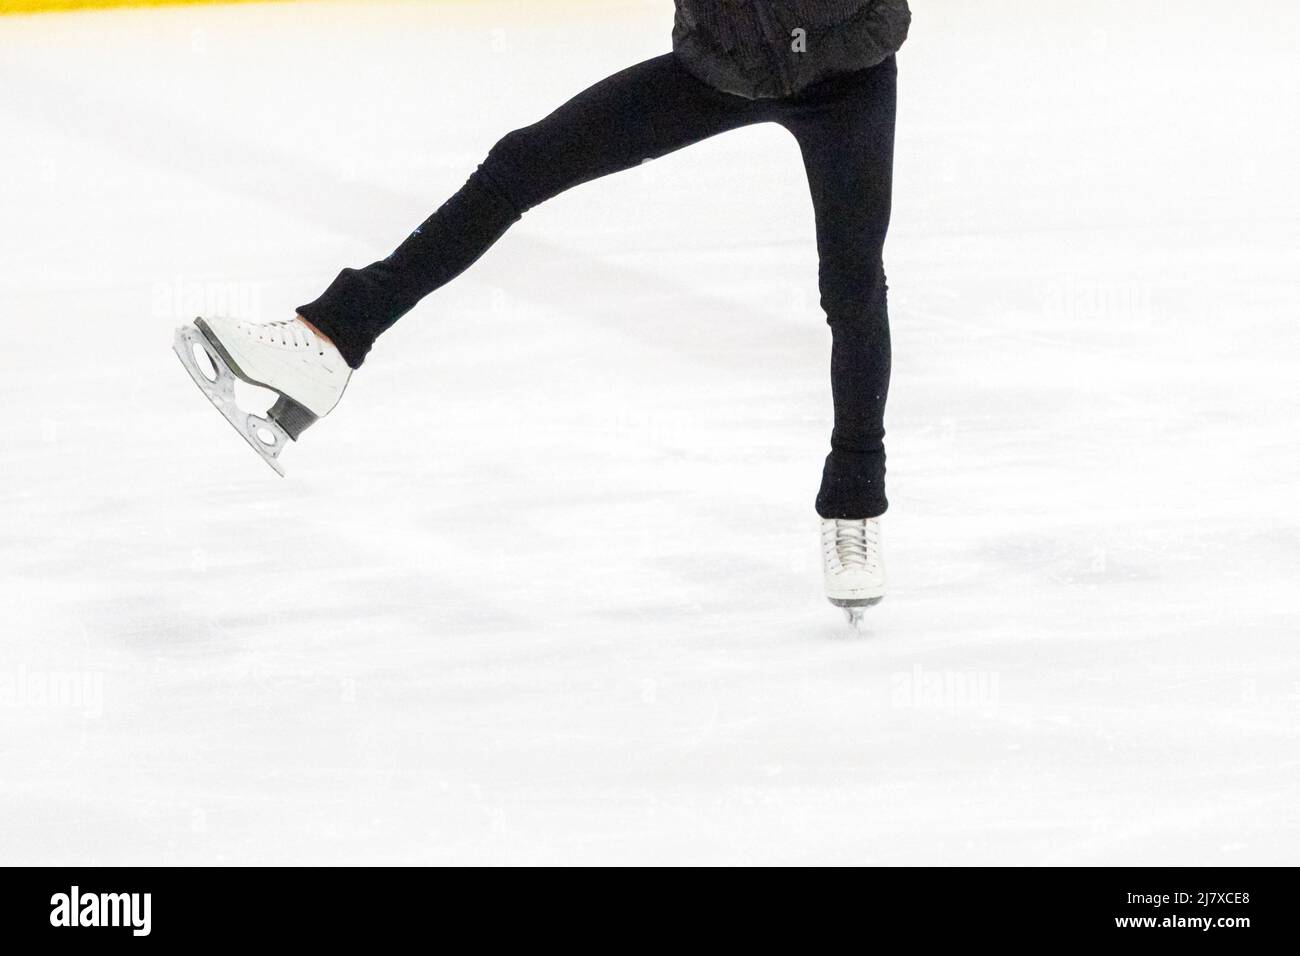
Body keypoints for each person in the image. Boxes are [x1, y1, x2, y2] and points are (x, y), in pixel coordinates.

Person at [173, 0, 912, 628]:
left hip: (848, 75)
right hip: (723, 67)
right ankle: (328, 342)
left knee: (852, 286)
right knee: (521, 164)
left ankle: (855, 506)